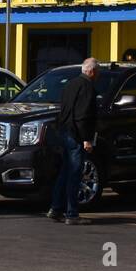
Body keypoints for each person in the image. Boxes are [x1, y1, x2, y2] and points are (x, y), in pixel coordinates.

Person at [49, 56, 99, 225]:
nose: (97, 74)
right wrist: (86, 139)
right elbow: (83, 115)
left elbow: (65, 109)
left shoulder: (70, 84)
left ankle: (56, 208)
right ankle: (71, 213)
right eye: (96, 71)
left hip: (64, 131)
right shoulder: (88, 87)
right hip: (77, 135)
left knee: (64, 172)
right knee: (74, 174)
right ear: (91, 71)